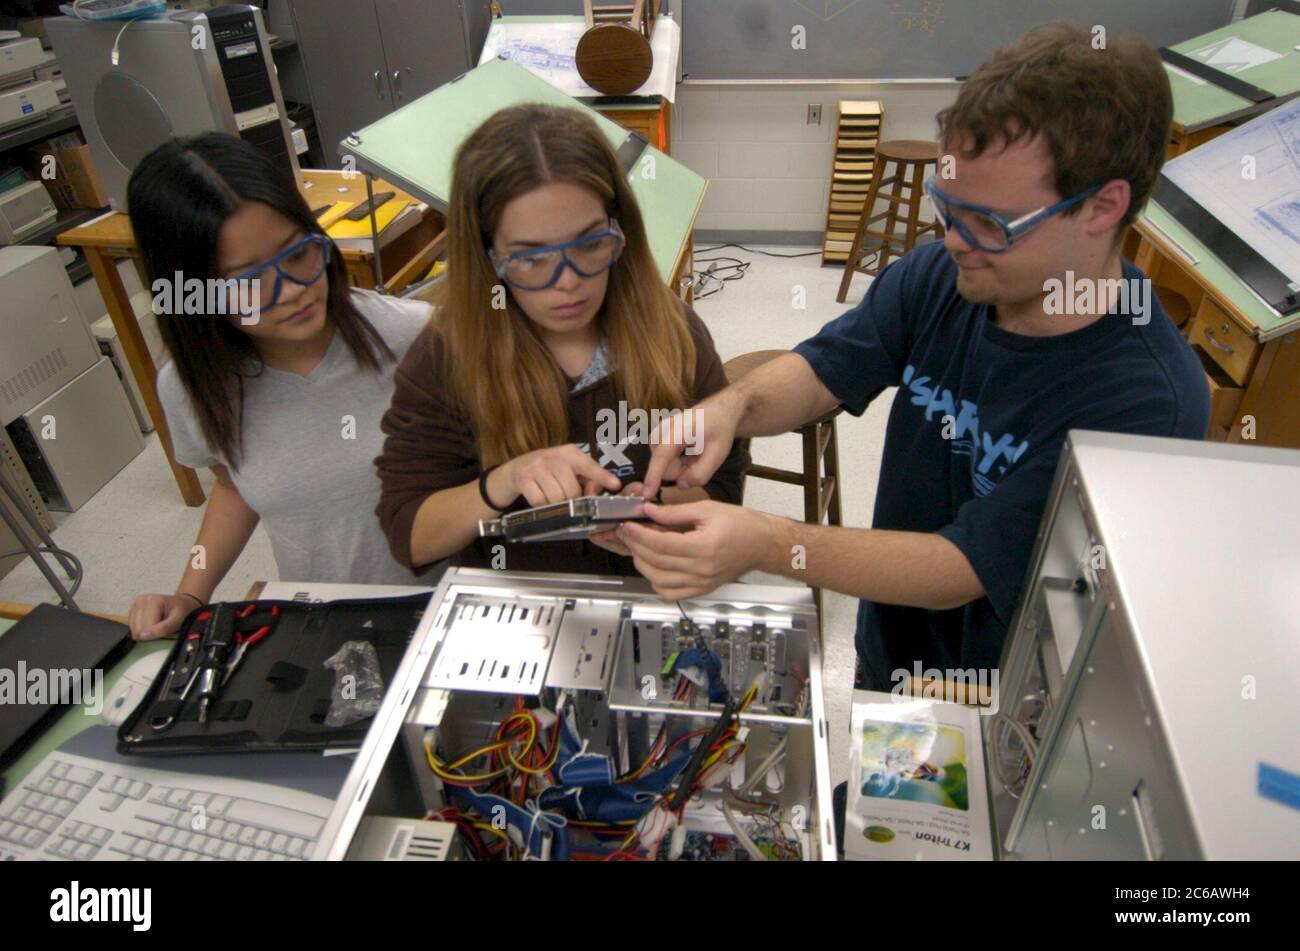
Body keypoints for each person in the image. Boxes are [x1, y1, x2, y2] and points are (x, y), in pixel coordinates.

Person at [622, 23, 1210, 692]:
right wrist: (732, 406)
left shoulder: (1147, 401)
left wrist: (764, 542)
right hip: (893, 649)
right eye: (948, 205)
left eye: (990, 223)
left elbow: (961, 564)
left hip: (999, 701)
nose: (955, 239)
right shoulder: (945, 274)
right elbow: (825, 368)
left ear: (1102, 206)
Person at [374, 104, 748, 576]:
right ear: (488, 259)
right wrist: (503, 482)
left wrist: (657, 513)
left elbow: (725, 483)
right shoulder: (446, 355)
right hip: (516, 615)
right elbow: (410, 535)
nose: (567, 283)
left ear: (620, 230)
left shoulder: (676, 332)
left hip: (653, 593)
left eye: (590, 244)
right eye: (531, 260)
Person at [126, 133, 432, 640]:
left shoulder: (416, 335)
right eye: (248, 281)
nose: (292, 291)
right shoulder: (192, 388)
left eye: (297, 255)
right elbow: (234, 487)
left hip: (447, 608)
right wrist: (189, 594)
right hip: (324, 625)